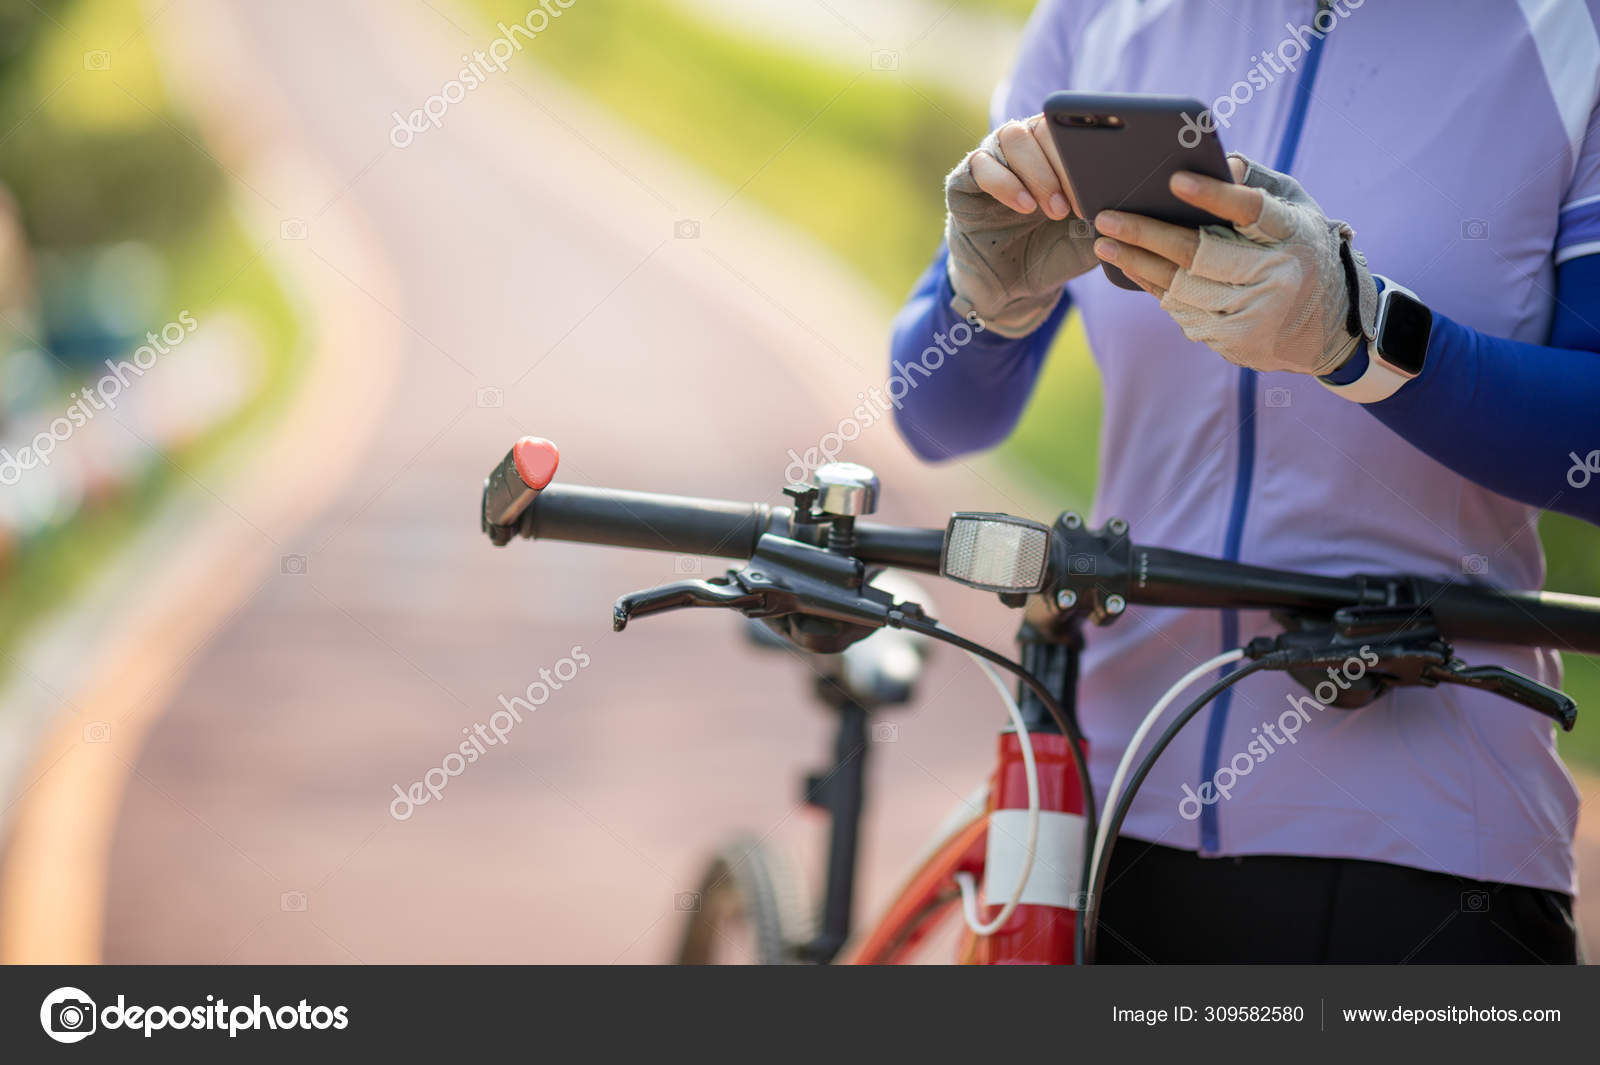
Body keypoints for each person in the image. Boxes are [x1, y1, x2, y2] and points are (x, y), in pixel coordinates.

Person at [890, 0, 1600, 962]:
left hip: (1428, 844)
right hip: (1108, 806)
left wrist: (1365, 336)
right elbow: (938, 417)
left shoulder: (1571, 32)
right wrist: (988, 301)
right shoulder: (1097, 17)